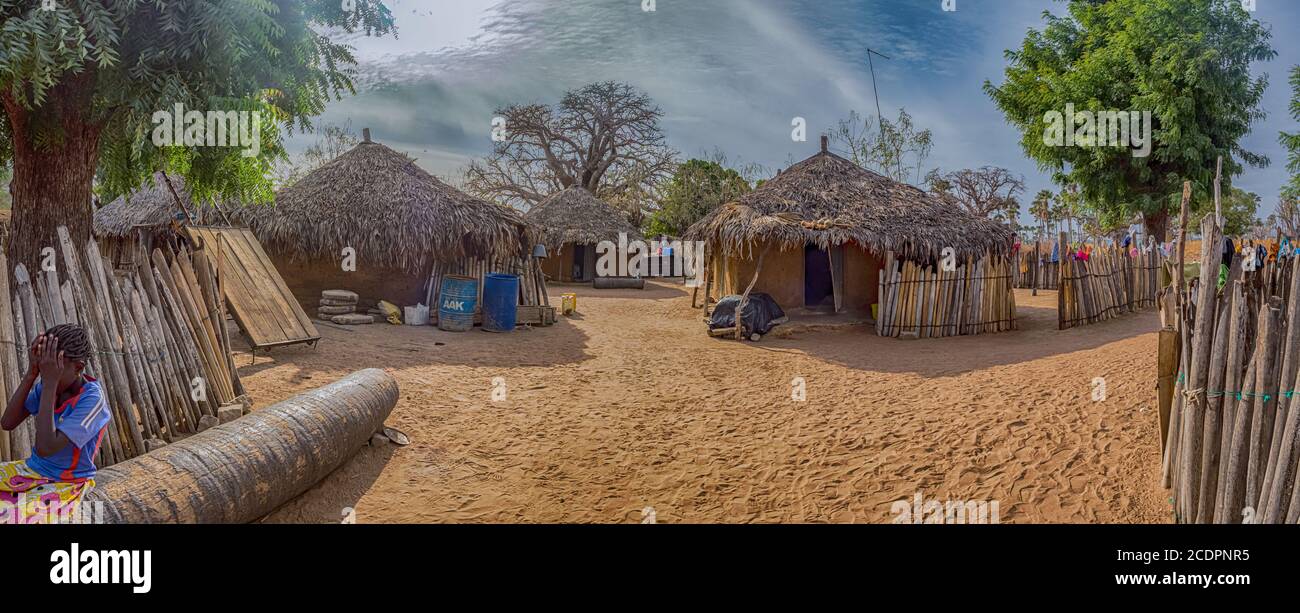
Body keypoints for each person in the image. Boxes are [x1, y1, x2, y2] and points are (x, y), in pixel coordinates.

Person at [0, 324, 110, 524]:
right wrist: (31, 375)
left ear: (78, 367)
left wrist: (50, 383)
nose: (47, 374)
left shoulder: (92, 401)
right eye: (45, 368)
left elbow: (46, 448)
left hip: (67, 482)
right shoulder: (48, 386)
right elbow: (7, 422)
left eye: (55, 369)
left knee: (11, 519)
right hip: (33, 470)